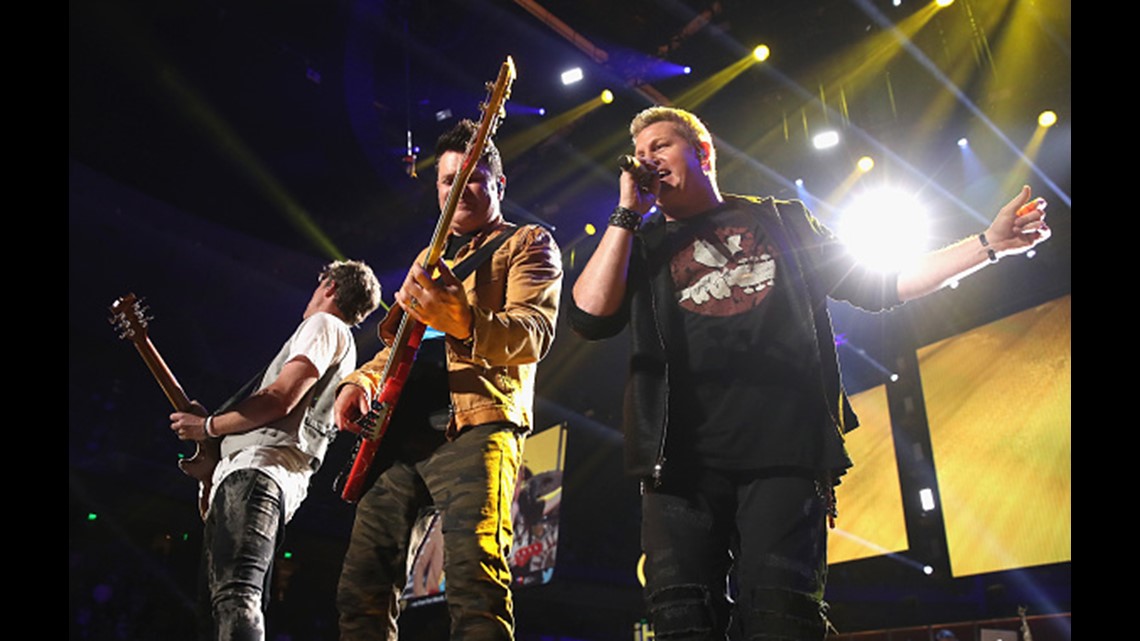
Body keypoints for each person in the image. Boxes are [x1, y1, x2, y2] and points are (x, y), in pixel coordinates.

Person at [568, 107, 1050, 640]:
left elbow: (883, 285)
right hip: (677, 461)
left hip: (785, 451)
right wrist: (625, 216)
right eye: (639, 153)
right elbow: (589, 318)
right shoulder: (640, 241)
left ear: (702, 152)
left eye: (659, 146)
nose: (645, 160)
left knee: (784, 618)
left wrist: (988, 245)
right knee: (682, 620)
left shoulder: (781, 220)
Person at [334, 120, 563, 641]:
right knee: (362, 588)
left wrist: (463, 321)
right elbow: (399, 347)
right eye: (447, 180)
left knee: (474, 584)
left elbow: (533, 334)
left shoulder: (527, 242)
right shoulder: (429, 259)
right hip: (400, 435)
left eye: (472, 178)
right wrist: (359, 383)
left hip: (476, 427)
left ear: (499, 185)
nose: (458, 189)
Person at [169, 260, 383, 640]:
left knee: (235, 597)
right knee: (220, 609)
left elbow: (280, 397)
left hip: (258, 469)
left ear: (331, 287)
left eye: (318, 285)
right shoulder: (339, 340)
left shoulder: (324, 324)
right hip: (264, 473)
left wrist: (208, 426)